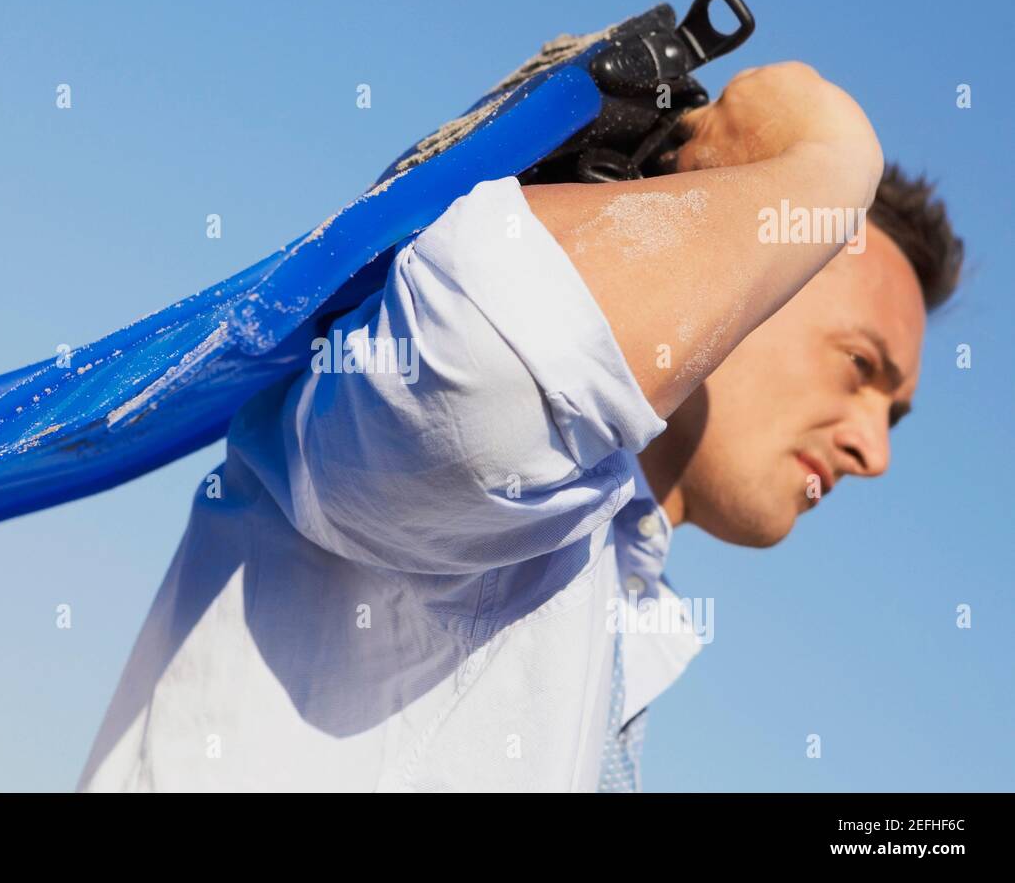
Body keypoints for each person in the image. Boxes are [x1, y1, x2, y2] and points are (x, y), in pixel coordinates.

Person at [77, 62, 963, 792]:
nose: (873, 450)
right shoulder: (441, 462)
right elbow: (484, 364)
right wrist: (830, 162)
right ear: (741, 283)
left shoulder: (615, 605)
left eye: (894, 412)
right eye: (859, 367)